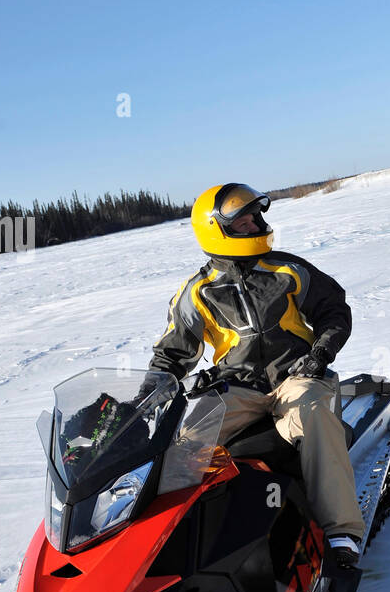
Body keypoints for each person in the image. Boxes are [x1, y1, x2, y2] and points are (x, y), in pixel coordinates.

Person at [147, 183, 365, 566]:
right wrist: (147, 396)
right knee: (186, 444)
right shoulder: (197, 292)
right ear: (218, 229)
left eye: (254, 218)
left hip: (298, 374)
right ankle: (168, 542)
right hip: (237, 386)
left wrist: (320, 354)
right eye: (243, 221)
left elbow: (334, 310)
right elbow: (171, 355)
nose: (255, 225)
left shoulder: (286, 268)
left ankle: (341, 532)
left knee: (314, 414)